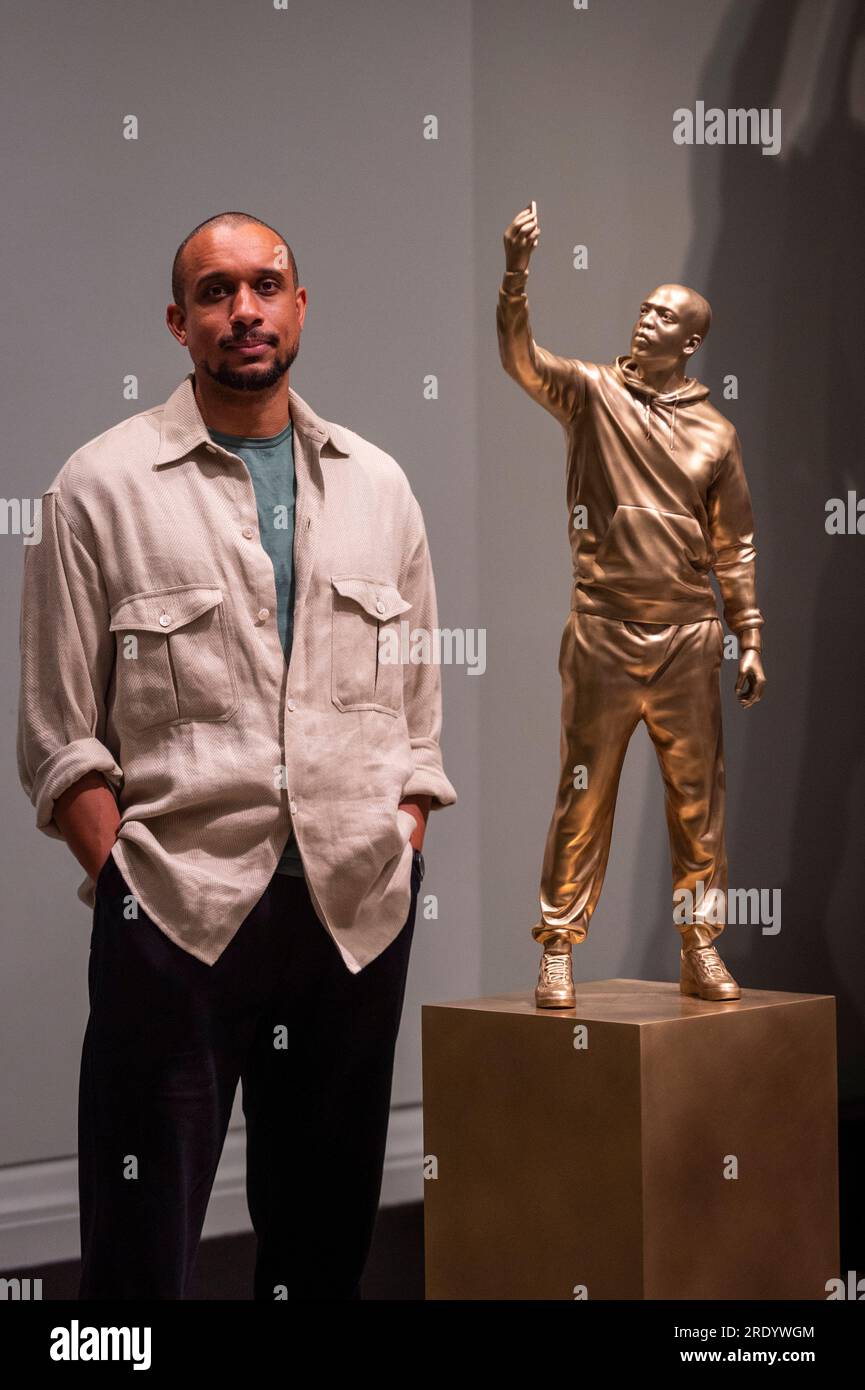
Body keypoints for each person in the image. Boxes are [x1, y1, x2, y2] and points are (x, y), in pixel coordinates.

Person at [16, 210, 457, 1299]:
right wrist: (121, 875)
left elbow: (417, 715)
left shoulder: (379, 486)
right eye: (215, 293)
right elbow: (56, 732)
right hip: (176, 913)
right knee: (138, 1248)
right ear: (178, 322)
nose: (244, 311)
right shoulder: (98, 487)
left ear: (300, 307)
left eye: (266, 286)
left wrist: (399, 835)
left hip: (351, 912)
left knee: (322, 1238)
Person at [496, 201, 765, 1009]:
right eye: (643, 307)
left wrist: (748, 634)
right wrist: (515, 274)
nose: (644, 320)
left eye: (664, 316)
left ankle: (699, 944)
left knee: (697, 802)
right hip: (604, 633)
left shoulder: (715, 435)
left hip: (687, 637)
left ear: (689, 343)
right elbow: (520, 358)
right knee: (582, 794)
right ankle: (556, 945)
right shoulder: (589, 394)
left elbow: (735, 544)